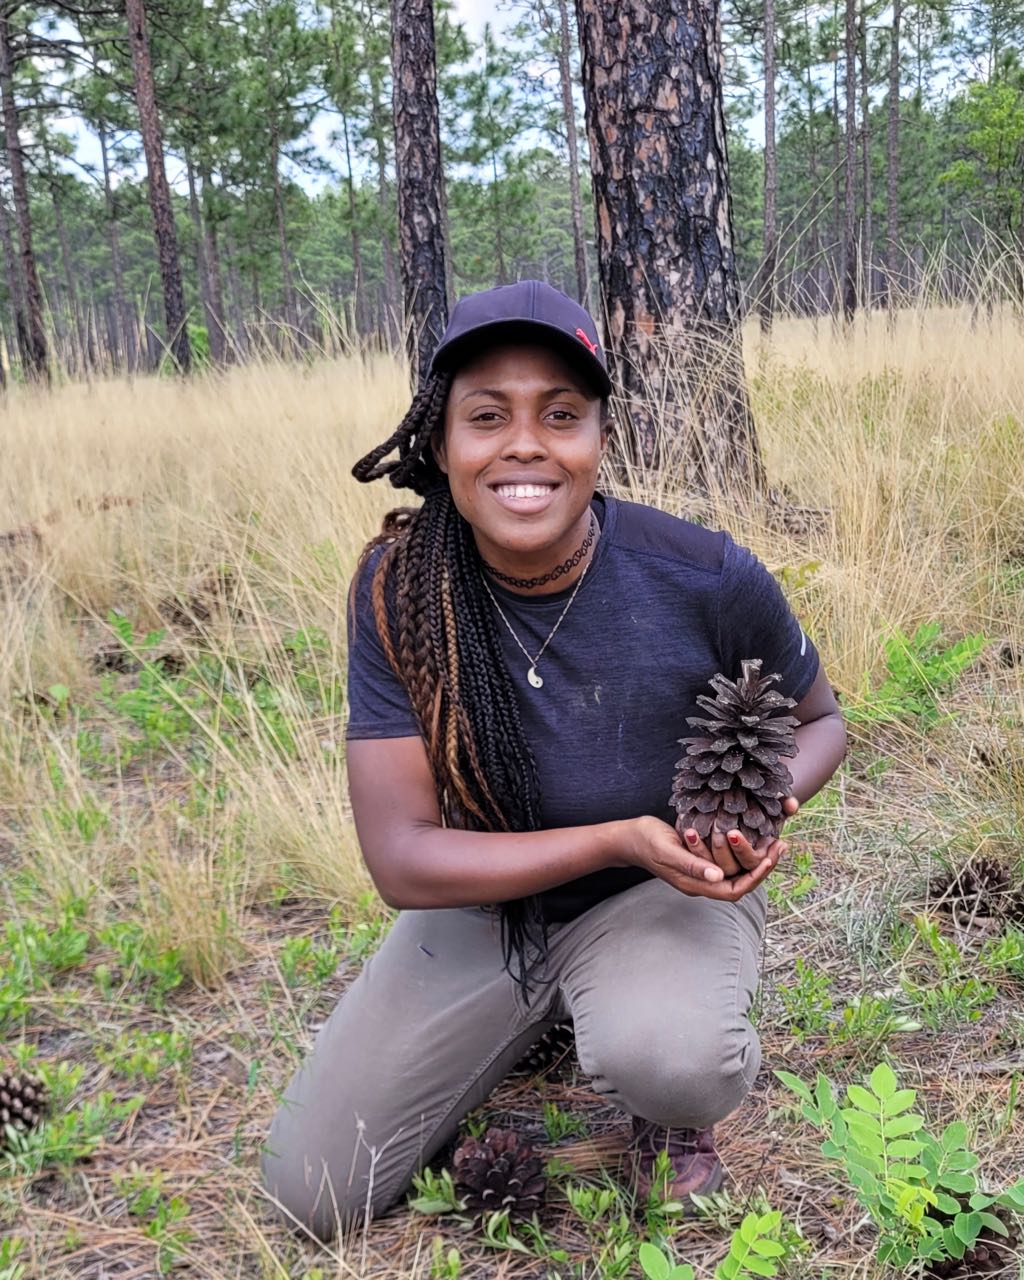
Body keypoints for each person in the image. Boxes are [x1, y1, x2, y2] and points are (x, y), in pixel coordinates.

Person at [261, 280, 847, 1241]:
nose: (525, 445)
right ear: (440, 443)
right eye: (486, 416)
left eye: (561, 415)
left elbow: (822, 722)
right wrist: (615, 835)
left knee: (674, 1057)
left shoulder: (702, 574)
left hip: (660, 894)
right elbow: (401, 859)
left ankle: (651, 1076)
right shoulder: (400, 590)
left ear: (601, 440)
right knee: (312, 1191)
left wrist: (752, 804)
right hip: (489, 906)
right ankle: (541, 1015)